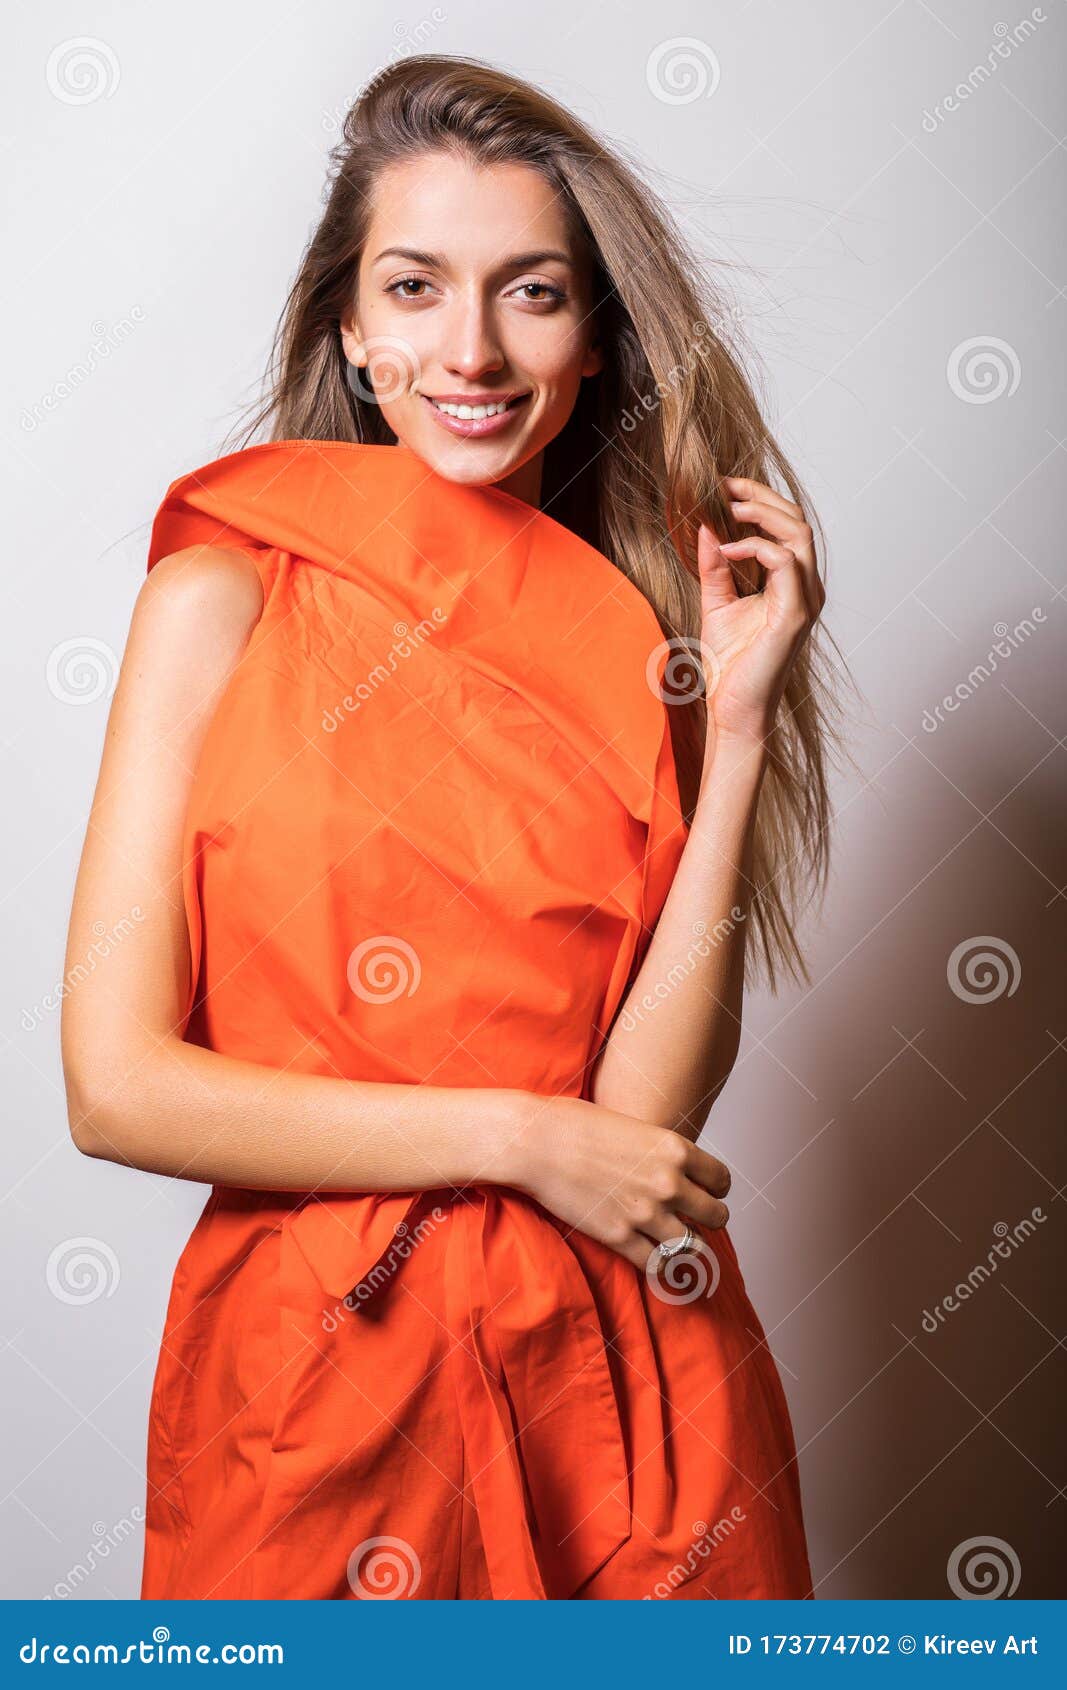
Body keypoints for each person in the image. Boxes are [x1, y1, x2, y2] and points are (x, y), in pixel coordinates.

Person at [61, 54, 835, 1600]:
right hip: (314, 1380)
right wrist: (514, 1136)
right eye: (414, 288)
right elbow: (115, 1085)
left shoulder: (656, 642)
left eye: (530, 292)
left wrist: (741, 727)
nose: (469, 349)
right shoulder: (217, 602)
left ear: (595, 335)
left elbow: (644, 1116)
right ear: (350, 329)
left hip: (625, 1392)